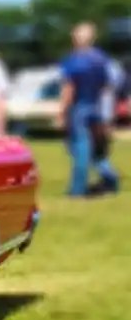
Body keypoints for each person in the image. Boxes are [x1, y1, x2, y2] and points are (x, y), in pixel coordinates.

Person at [56, 22, 119, 197]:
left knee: (80, 148)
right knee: (96, 147)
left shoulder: (73, 60)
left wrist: (61, 111)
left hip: (79, 106)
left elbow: (69, 88)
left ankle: (78, 189)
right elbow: (106, 84)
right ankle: (110, 179)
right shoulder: (101, 58)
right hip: (96, 105)